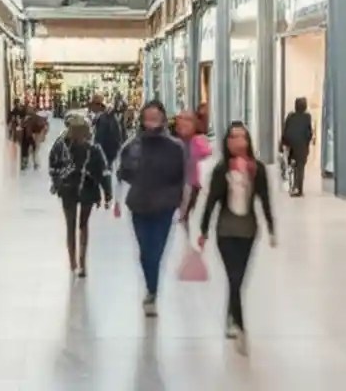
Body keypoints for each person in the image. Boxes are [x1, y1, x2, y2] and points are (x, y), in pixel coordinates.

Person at [198, 122, 275, 354]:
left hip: (248, 231)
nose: (237, 142)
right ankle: (240, 326)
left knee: (238, 279)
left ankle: (231, 316)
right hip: (225, 231)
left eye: (242, 137)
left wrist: (271, 228)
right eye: (233, 137)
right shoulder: (221, 170)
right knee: (233, 278)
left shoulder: (257, 169)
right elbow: (211, 200)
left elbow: (264, 199)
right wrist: (203, 230)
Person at [116, 100, 189, 317]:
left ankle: (152, 291)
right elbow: (124, 172)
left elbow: (181, 177)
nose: (151, 121)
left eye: (155, 117)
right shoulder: (133, 145)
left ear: (163, 119)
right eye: (147, 117)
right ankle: (151, 288)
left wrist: (182, 205)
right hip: (139, 205)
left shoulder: (175, 147)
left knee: (155, 251)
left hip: (164, 207)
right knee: (144, 252)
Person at [49, 114, 113, 277]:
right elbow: (103, 172)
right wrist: (107, 193)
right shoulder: (92, 149)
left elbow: (53, 166)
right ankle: (79, 263)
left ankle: (75, 263)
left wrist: (57, 181)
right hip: (83, 189)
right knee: (81, 226)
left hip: (73, 190)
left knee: (73, 226)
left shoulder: (61, 147)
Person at [173, 109, 213, 230]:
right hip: (177, 186)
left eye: (188, 119)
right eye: (180, 118)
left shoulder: (198, 141)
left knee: (186, 220)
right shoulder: (174, 141)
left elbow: (207, 157)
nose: (183, 122)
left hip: (192, 186)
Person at [281, 98, 315, 197]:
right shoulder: (307, 117)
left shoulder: (290, 116)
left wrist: (284, 143)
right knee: (300, 167)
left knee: (292, 165)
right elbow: (308, 132)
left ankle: (292, 185)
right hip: (301, 145)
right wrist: (307, 141)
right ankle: (298, 189)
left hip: (290, 143)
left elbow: (285, 129)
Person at [91, 96, 124, 168]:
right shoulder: (103, 116)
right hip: (106, 148)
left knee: (104, 168)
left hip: (107, 149)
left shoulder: (107, 118)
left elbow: (100, 137)